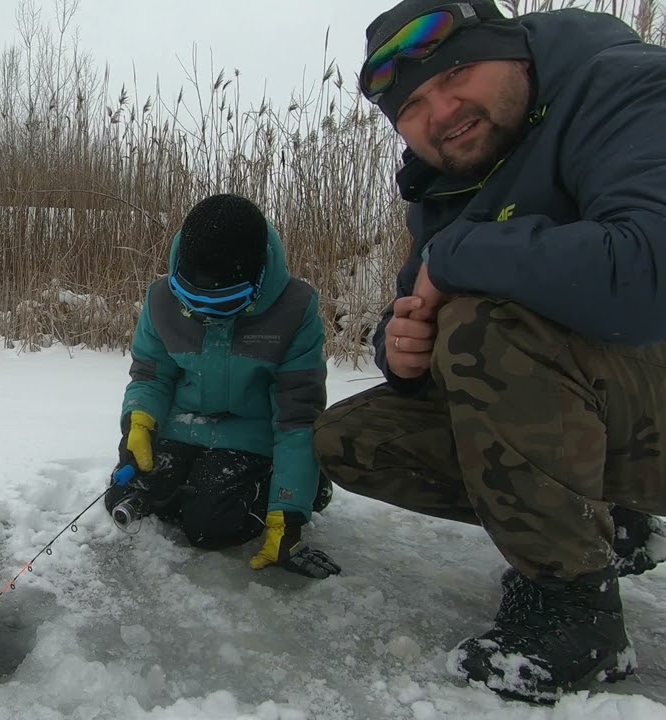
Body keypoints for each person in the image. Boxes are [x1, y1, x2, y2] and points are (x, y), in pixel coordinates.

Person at [313, 0, 666, 704]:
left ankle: (575, 615)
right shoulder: (445, 180)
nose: (442, 111)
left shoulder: (626, 85)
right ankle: (608, 525)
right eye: (413, 105)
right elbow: (416, 298)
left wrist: (461, 255)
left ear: (515, 49)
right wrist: (401, 348)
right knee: (348, 440)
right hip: (594, 413)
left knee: (484, 324)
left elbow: (647, 274)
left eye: (459, 74)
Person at [107, 192, 340, 580]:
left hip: (251, 435)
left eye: (221, 304)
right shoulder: (160, 299)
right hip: (185, 423)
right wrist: (141, 419)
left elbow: (297, 415)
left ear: (256, 280)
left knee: (209, 526)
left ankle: (309, 487)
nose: (202, 314)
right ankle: (193, 478)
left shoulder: (296, 308)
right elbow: (151, 374)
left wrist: (289, 509)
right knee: (130, 493)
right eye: (192, 302)